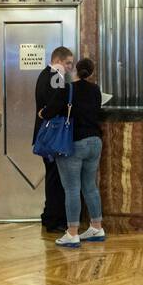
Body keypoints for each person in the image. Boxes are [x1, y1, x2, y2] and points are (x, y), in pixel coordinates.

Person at [54, 57, 105, 248]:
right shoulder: (96, 90)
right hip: (95, 141)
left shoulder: (69, 89)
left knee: (72, 188)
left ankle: (72, 233)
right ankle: (96, 227)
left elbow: (56, 110)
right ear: (90, 73)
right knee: (90, 186)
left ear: (75, 70)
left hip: (75, 143)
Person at [34, 46, 73, 233]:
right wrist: (47, 113)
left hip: (45, 135)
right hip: (53, 136)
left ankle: (49, 215)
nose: (70, 68)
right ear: (58, 60)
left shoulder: (44, 74)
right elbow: (59, 101)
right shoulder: (57, 74)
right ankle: (54, 219)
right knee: (55, 179)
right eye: (68, 63)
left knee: (52, 177)